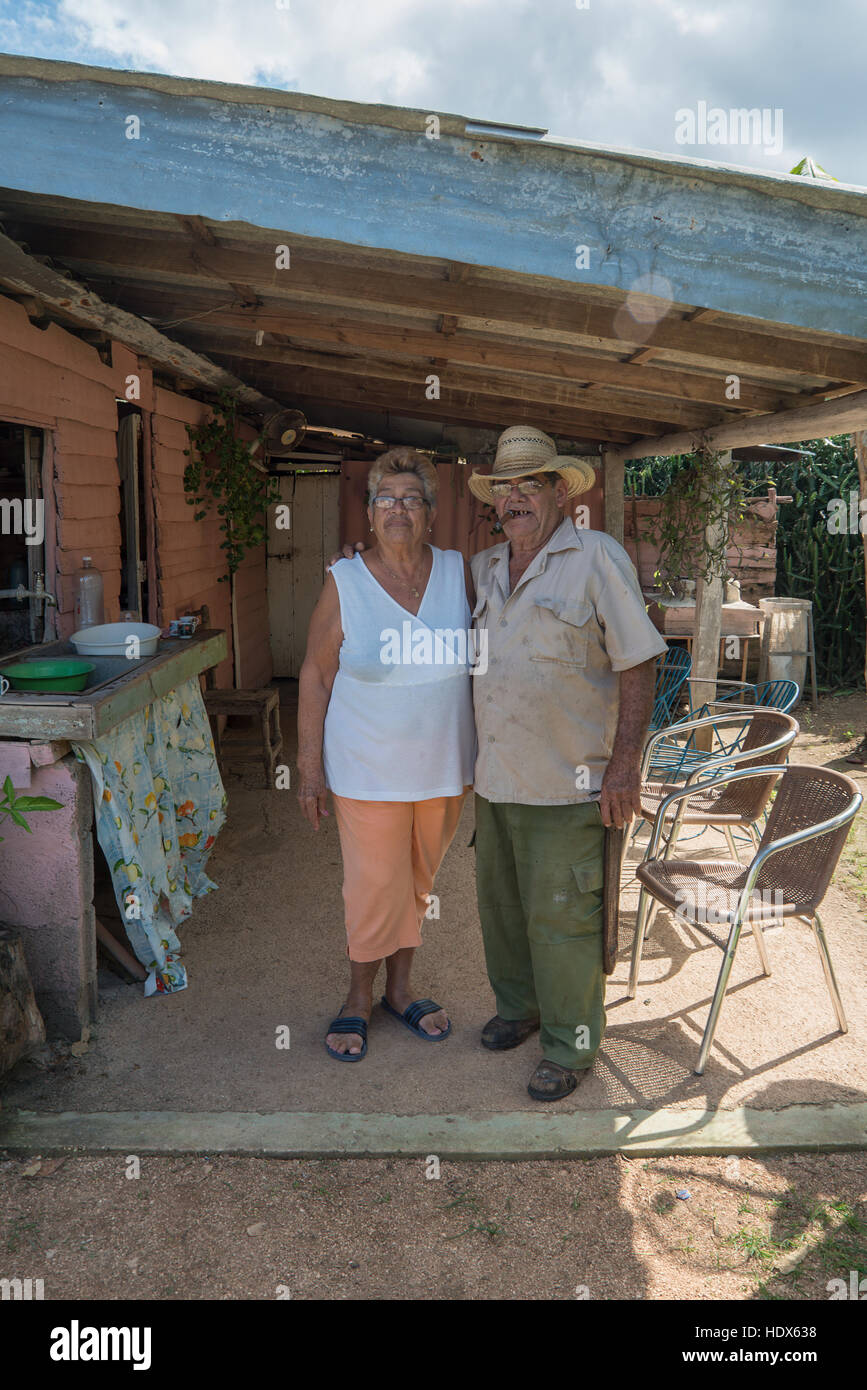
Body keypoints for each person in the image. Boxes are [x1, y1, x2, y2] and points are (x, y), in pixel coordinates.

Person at [466, 426, 667, 1100]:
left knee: (562, 918)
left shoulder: (595, 557)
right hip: (496, 778)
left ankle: (571, 1044)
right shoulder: (487, 568)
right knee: (502, 910)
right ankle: (520, 1009)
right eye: (504, 487)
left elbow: (638, 658)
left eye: (528, 483)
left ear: (559, 491)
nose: (514, 496)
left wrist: (623, 766)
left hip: (570, 778)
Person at [297, 447, 475, 1061]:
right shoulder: (345, 578)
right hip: (366, 768)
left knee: (419, 883)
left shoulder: (458, 571)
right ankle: (356, 998)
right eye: (385, 498)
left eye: (410, 499)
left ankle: (400, 991)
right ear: (369, 514)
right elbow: (316, 676)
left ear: (430, 513)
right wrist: (309, 769)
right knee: (374, 885)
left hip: (444, 768)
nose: (397, 509)